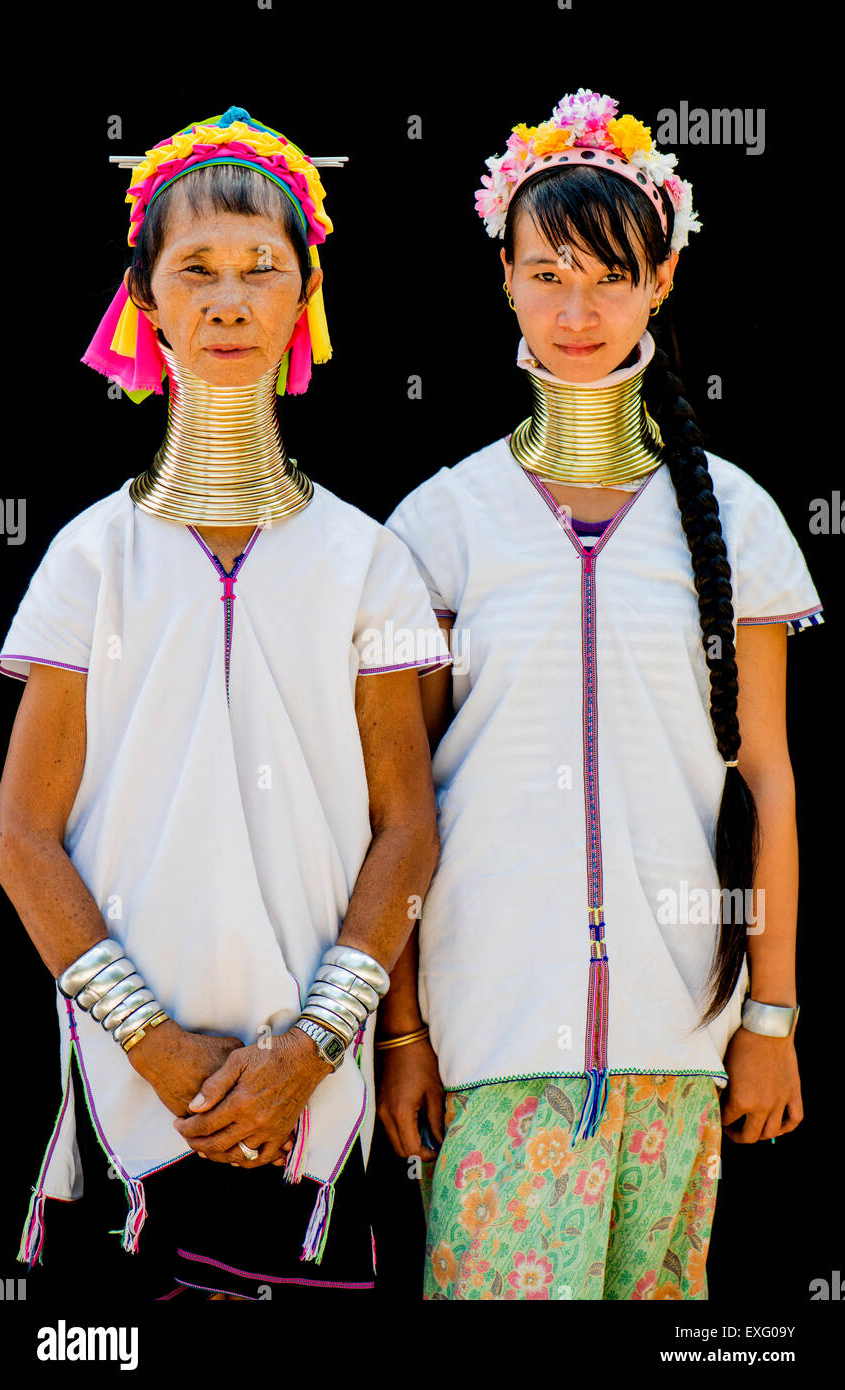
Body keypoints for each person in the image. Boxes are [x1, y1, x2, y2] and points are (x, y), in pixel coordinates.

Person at [0, 105, 450, 1302]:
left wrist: (311, 1047)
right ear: (145, 300)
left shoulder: (368, 560)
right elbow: (19, 838)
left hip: (319, 1102)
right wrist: (153, 1041)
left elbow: (408, 827)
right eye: (196, 270)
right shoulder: (93, 559)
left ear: (306, 301)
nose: (231, 299)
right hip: (127, 1100)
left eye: (263, 271)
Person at [377, 88, 824, 1301]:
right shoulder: (441, 526)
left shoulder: (737, 518)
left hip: (679, 1043)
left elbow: (766, 774)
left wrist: (770, 1018)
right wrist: (401, 1033)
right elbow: (397, 805)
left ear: (664, 280)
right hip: (491, 1038)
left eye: (611, 277)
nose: (578, 311)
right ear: (505, 280)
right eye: (546, 274)